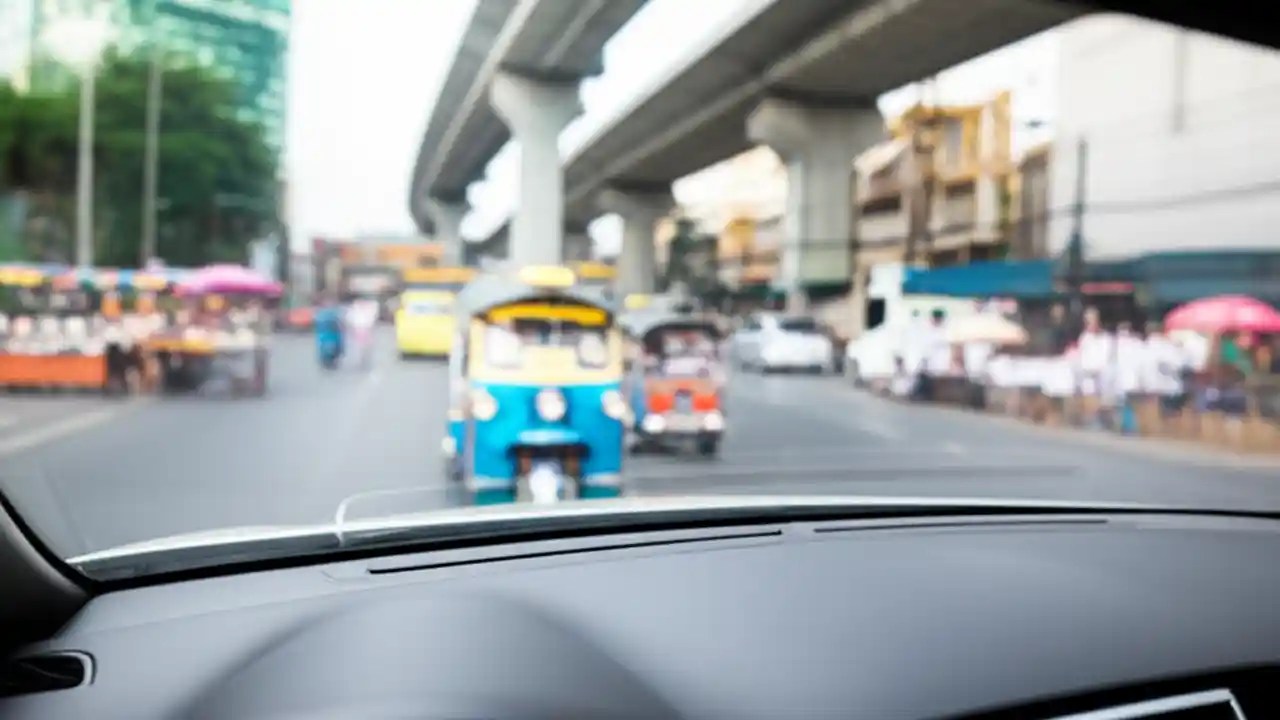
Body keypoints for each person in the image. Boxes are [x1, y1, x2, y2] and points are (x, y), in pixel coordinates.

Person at [346, 296, 379, 370]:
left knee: (365, 345)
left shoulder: (367, 308)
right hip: (360, 328)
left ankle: (363, 358)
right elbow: (350, 318)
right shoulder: (356, 309)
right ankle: (362, 358)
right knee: (361, 346)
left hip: (364, 328)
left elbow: (372, 318)